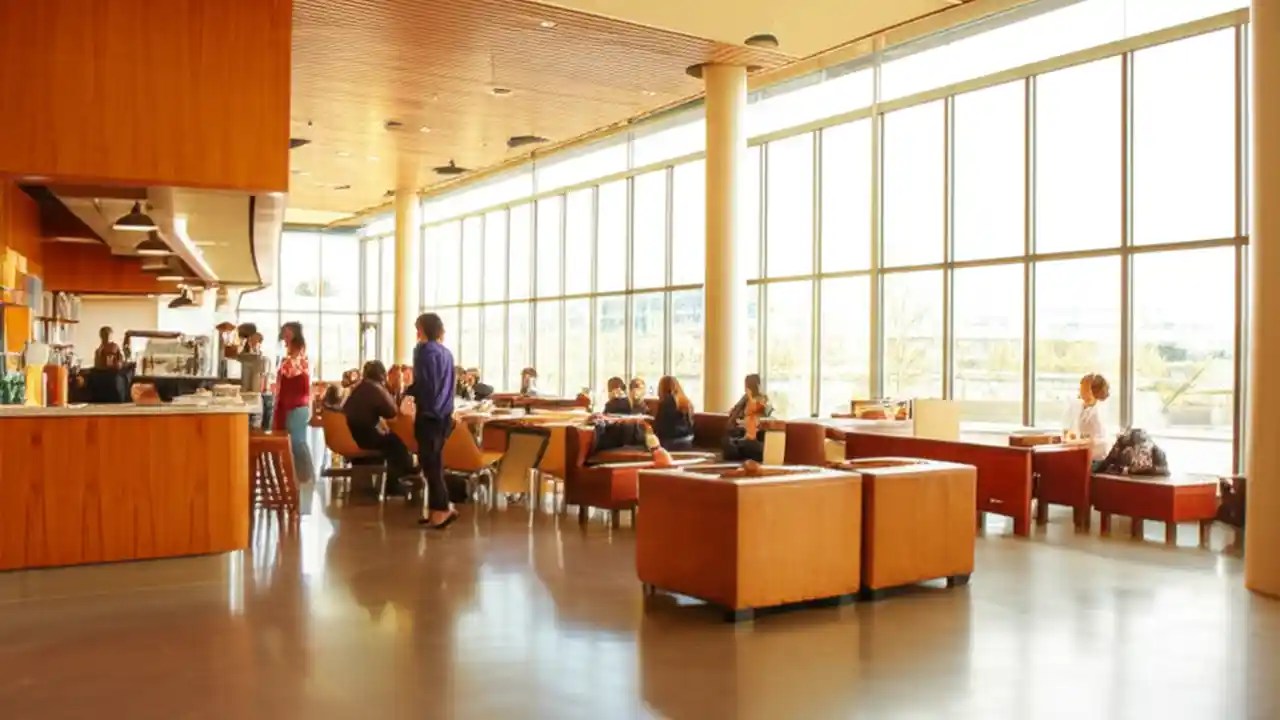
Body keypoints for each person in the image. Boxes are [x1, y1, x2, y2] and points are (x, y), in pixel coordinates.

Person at [412, 312, 458, 529]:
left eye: (417, 328)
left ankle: (441, 510)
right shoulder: (447, 354)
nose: (416, 332)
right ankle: (436, 510)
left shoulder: (423, 352)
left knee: (430, 464)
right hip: (444, 416)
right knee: (435, 463)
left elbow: (425, 384)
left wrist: (408, 395)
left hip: (429, 414)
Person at [344, 360, 418, 490]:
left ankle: (406, 472)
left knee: (391, 439)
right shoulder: (375, 388)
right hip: (363, 437)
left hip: (352, 434)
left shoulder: (360, 387)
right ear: (382, 375)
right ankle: (396, 481)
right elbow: (392, 412)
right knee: (395, 441)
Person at [271, 322, 315, 483]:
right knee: (296, 441)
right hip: (293, 403)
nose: (285, 334)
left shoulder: (298, 354)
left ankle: (305, 476)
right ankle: (301, 476)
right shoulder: (290, 354)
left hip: (296, 404)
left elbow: (290, 372)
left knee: (297, 442)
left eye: (288, 331)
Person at [1063, 372, 1112, 467]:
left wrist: (1075, 440)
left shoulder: (1099, 411)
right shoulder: (1080, 406)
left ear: (1092, 390)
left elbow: (1095, 439)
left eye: (1083, 387)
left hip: (1097, 457)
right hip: (1084, 452)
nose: (1080, 389)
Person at [724, 373, 772, 462]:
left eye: (746, 384)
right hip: (742, 431)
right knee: (728, 442)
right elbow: (735, 412)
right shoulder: (745, 398)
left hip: (756, 434)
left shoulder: (762, 399)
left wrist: (749, 397)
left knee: (749, 445)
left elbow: (754, 409)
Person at [653, 376, 695, 450]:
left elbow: (660, 427)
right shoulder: (685, 401)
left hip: (671, 442)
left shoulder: (666, 402)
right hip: (688, 440)